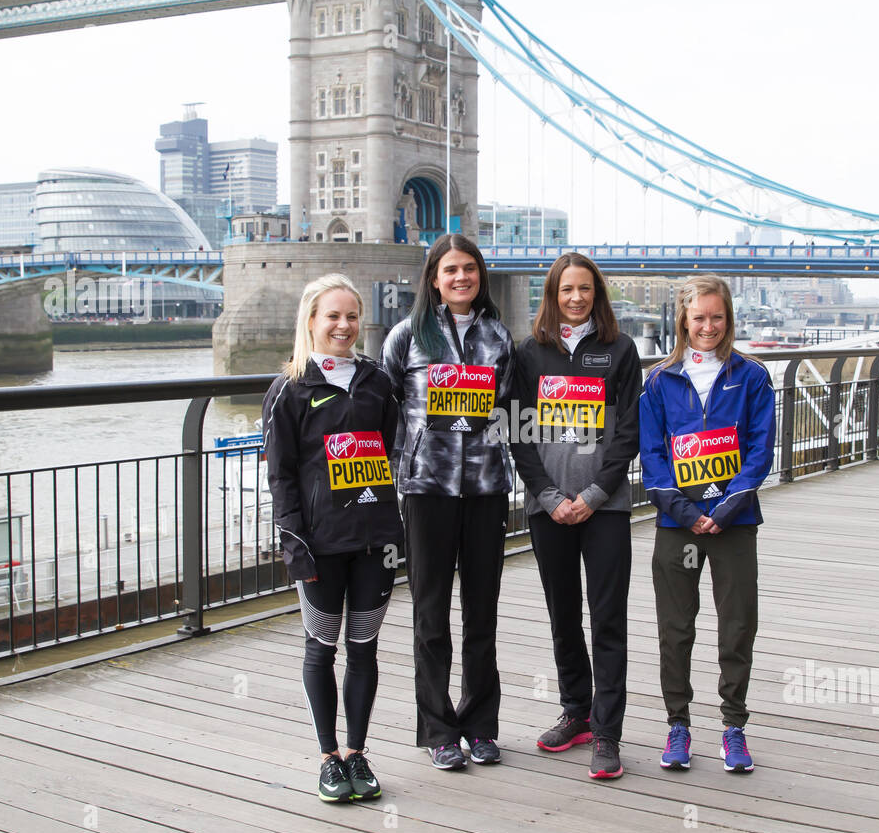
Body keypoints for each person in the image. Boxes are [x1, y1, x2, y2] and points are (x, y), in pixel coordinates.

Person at [263, 274, 404, 803]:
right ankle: (327, 758)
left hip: (374, 540)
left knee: (363, 647)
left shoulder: (376, 382)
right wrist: (293, 539)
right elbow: (280, 475)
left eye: (351, 316)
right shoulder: (288, 389)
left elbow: (390, 449)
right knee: (321, 648)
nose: (343, 326)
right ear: (311, 322)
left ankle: (358, 753)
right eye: (332, 316)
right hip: (319, 544)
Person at [381, 234, 515, 770]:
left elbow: (509, 407)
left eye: (470, 270)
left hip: (485, 489)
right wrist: (402, 463)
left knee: (482, 615)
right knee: (429, 615)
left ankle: (480, 725)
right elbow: (386, 403)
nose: (462, 278)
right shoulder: (406, 337)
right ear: (434, 278)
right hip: (427, 491)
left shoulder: (500, 337)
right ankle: (438, 729)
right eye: (451, 270)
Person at [510, 253, 642, 780]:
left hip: (604, 507)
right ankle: (577, 713)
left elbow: (629, 432)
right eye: (566, 289)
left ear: (597, 293)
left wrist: (592, 494)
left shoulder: (620, 350)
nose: (576, 298)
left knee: (607, 619)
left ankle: (608, 734)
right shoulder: (530, 353)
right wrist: (547, 496)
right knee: (563, 616)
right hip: (548, 510)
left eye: (585, 289)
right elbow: (516, 431)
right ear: (552, 294)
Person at [639, 274, 775, 773]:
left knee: (737, 627)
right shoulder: (657, 381)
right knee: (676, 630)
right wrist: (687, 513)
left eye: (717, 317)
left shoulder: (753, 376)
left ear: (729, 318)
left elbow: (760, 451)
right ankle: (678, 725)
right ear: (683, 320)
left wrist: (723, 511)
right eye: (699, 317)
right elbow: (651, 457)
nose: (708, 326)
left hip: (735, 523)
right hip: (678, 526)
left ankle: (733, 727)